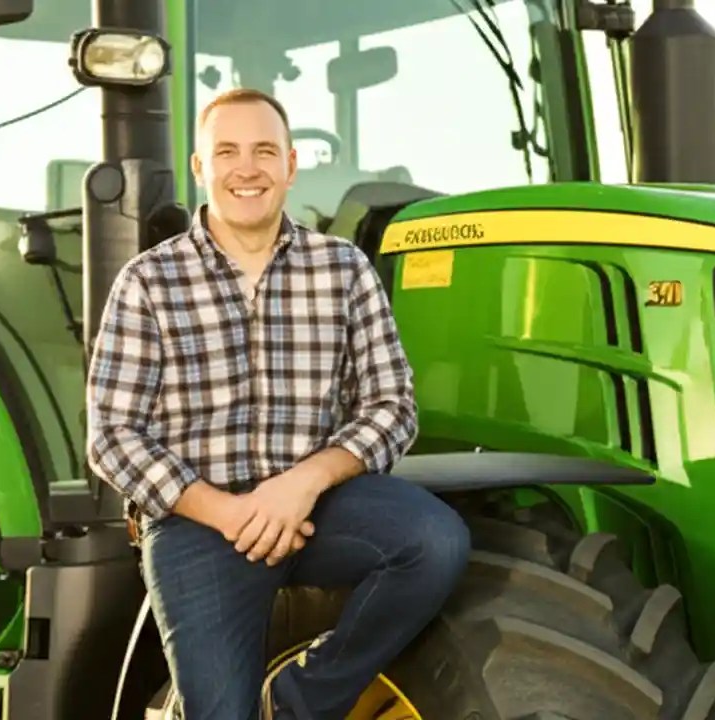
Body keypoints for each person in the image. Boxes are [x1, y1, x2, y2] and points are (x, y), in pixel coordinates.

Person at [85, 87, 471, 720]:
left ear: (291, 165)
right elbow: (112, 435)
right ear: (200, 167)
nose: (248, 168)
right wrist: (227, 512)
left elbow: (392, 404)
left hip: (316, 506)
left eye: (265, 151)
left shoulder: (342, 268)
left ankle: (297, 703)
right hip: (197, 522)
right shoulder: (149, 281)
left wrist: (302, 483)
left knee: (435, 542)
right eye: (228, 151)